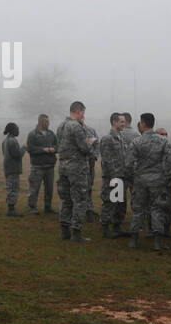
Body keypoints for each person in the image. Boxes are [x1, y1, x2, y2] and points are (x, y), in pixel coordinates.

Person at [128, 112, 171, 251]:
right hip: (158, 181)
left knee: (138, 210)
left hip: (140, 180)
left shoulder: (136, 142)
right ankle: (158, 242)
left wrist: (134, 177)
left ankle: (134, 240)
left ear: (143, 123)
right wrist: (165, 177)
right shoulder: (163, 141)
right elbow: (170, 162)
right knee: (157, 209)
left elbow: (129, 163)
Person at [55, 101, 98, 242]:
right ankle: (76, 233)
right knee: (80, 200)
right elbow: (85, 148)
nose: (83, 116)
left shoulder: (61, 126)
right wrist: (91, 143)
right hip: (77, 168)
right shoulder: (76, 126)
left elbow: (58, 145)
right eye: (83, 113)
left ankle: (64, 231)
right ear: (78, 111)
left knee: (66, 199)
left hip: (63, 166)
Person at [98, 113, 134, 238]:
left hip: (122, 176)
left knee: (120, 204)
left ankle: (117, 227)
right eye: (121, 122)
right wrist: (114, 178)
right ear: (114, 122)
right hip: (113, 178)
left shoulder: (121, 137)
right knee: (110, 203)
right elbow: (106, 161)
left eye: (124, 122)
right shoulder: (108, 139)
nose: (124, 124)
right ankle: (106, 228)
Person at [26, 114, 58, 214]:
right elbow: (30, 149)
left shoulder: (52, 134)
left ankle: (48, 207)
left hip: (50, 166)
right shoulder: (32, 134)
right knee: (34, 188)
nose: (48, 123)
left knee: (49, 189)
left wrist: (54, 149)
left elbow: (58, 145)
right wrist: (43, 150)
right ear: (40, 122)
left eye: (48, 121)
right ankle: (33, 207)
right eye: (46, 122)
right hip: (37, 166)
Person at [1, 122, 25, 217]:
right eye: (17, 129)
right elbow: (17, 154)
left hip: (7, 167)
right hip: (13, 168)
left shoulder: (5, 141)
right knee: (13, 188)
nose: (18, 131)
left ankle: (11, 208)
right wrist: (24, 147)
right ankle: (11, 210)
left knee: (10, 187)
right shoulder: (12, 141)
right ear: (12, 130)